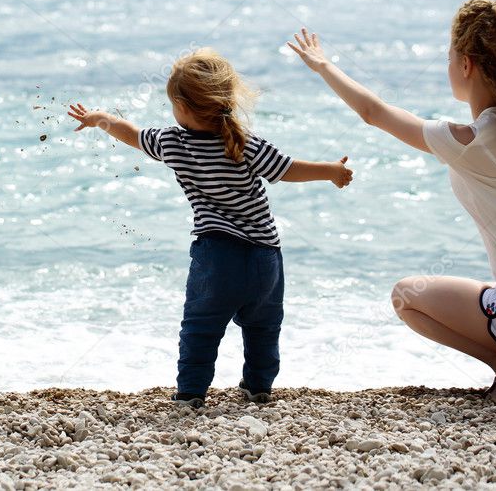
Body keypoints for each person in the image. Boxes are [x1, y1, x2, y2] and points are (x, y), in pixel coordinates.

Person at [287, 0, 496, 402]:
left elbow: (374, 112)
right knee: (493, 289)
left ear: (466, 64)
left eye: (449, 57)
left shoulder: (470, 139)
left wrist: (323, 65)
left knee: (406, 296)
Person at [68, 48, 353, 408]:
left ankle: (190, 393)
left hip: (216, 256)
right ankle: (258, 387)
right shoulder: (245, 143)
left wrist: (101, 119)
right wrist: (330, 171)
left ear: (182, 108)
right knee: (264, 327)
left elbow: (132, 135)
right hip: (266, 256)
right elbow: (288, 169)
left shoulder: (172, 143)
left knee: (201, 327)